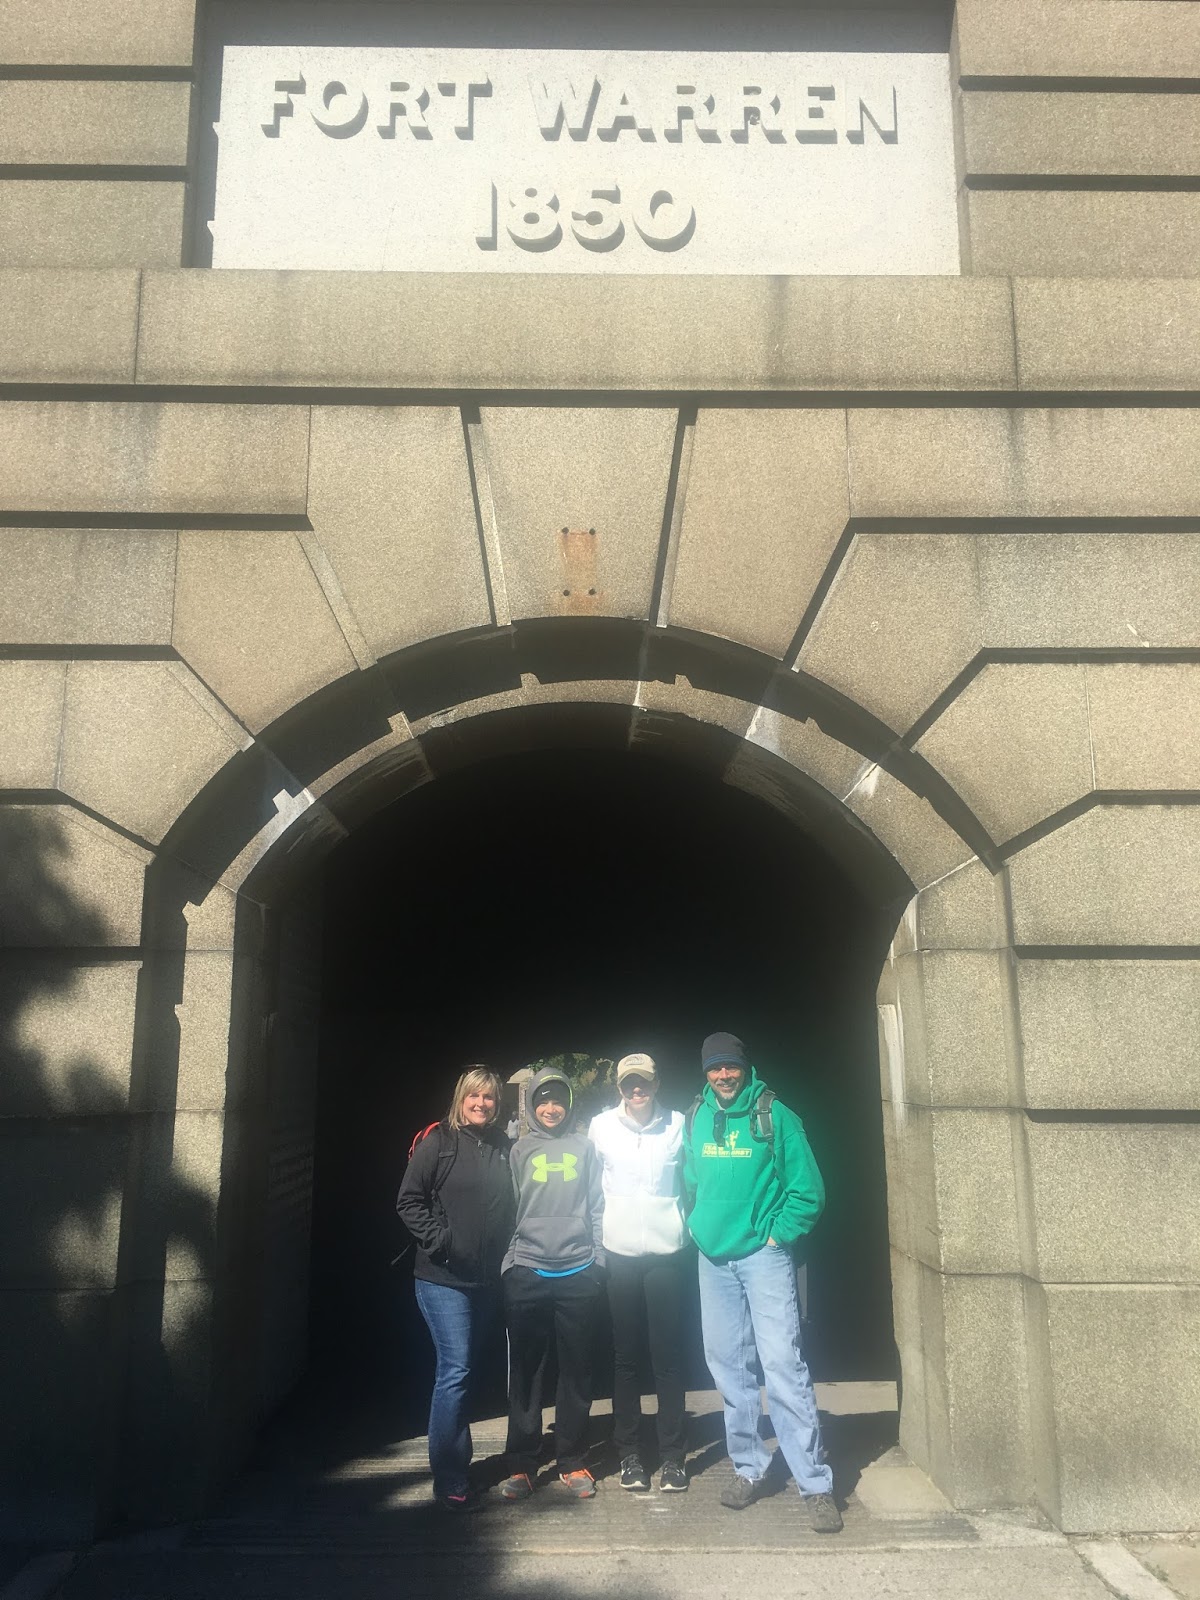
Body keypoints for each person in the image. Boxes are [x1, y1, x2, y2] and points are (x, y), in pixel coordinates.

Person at [684, 1031, 843, 1533]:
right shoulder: (696, 1116)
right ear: (705, 1072)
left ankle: (815, 1484)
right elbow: (687, 1183)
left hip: (763, 1257)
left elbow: (808, 1192)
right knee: (729, 1367)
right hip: (713, 1260)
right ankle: (750, 1469)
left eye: (731, 1067)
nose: (723, 1076)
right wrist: (696, 1226)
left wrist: (777, 1238)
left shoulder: (777, 1115)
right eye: (715, 1068)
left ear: (744, 1067)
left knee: (782, 1366)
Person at [395, 1065, 514, 1512]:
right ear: (459, 1100)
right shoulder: (438, 1143)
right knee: (456, 1369)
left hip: (486, 1279)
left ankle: (456, 1463)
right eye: (473, 1097)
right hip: (442, 1278)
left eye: (489, 1098)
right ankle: (448, 1473)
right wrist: (440, 1240)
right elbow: (408, 1201)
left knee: (466, 1371)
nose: (481, 1104)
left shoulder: (503, 1146)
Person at [499, 1066, 606, 1501]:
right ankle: (522, 1464)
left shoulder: (585, 1149)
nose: (550, 1107)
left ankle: (571, 1458)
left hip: (578, 1269)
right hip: (528, 1269)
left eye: (558, 1099)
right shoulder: (518, 1150)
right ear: (530, 1105)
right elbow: (506, 1210)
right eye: (542, 1100)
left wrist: (597, 1259)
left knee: (577, 1373)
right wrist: (510, 1264)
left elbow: (598, 1205)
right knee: (526, 1373)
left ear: (569, 1103)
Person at [588, 1052, 689, 1493]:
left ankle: (673, 1457)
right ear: (619, 1087)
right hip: (621, 1255)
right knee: (625, 1358)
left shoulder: (679, 1124)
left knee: (667, 1359)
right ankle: (629, 1453)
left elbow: (694, 1182)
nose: (636, 1089)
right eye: (629, 1082)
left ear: (656, 1083)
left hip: (667, 1254)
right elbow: (591, 1189)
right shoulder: (600, 1127)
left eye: (643, 1081)